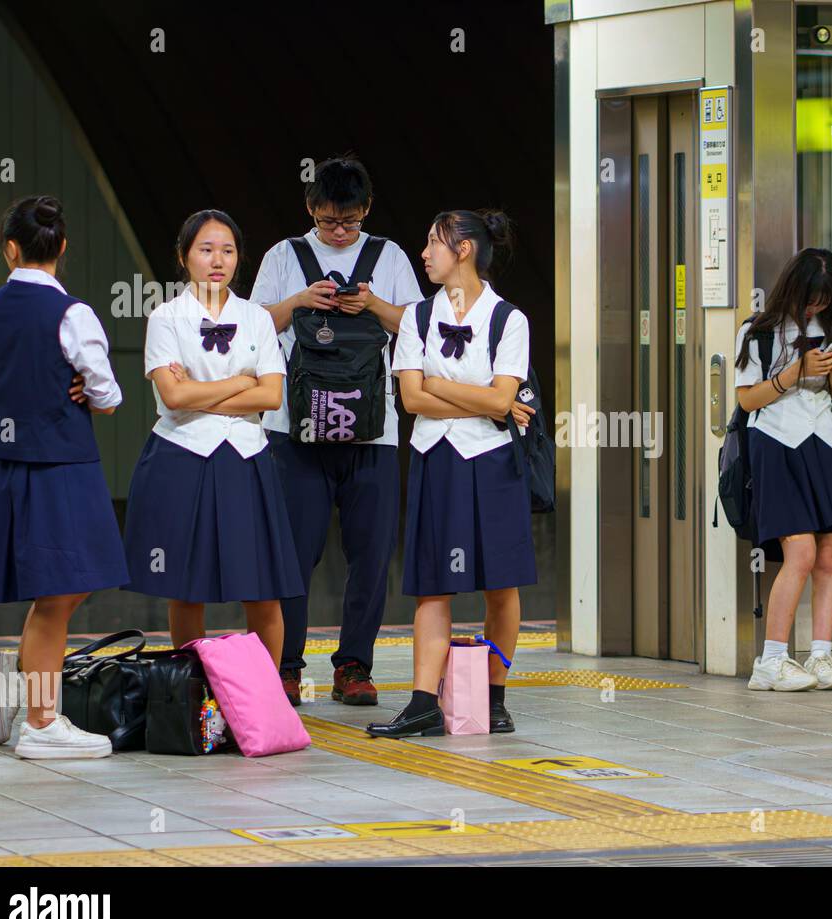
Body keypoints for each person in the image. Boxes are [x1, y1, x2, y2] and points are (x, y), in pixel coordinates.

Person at [251, 156, 424, 706]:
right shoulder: (285, 255)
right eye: (328, 221)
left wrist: (372, 303)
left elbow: (420, 330)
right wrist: (301, 300)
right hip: (292, 429)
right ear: (310, 209)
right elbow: (252, 329)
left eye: (348, 221)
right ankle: (286, 667)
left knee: (371, 554)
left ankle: (354, 666)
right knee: (292, 552)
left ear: (366, 210)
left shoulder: (389, 255)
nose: (339, 231)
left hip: (373, 431)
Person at [367, 210, 536, 738]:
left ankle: (494, 697)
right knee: (431, 587)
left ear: (463, 249)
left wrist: (447, 386)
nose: (424, 253)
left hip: (492, 462)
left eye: (433, 243)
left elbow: (503, 399)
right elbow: (413, 399)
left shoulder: (509, 319)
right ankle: (422, 701)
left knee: (500, 587)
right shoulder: (416, 316)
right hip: (435, 458)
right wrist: (480, 399)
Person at [0, 195, 128, 759]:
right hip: (62, 464)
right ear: (60, 247)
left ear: (10, 248)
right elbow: (108, 394)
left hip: (14, 466)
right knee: (59, 594)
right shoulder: (73, 314)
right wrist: (88, 389)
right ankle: (40, 721)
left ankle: (21, 683)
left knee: (56, 592)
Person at [123, 210, 303, 667]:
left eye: (227, 250)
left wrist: (200, 394)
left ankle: (265, 700)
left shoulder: (257, 318)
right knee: (188, 588)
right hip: (182, 457)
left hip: (247, 458)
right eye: (205, 249)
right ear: (184, 257)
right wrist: (241, 384)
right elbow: (173, 395)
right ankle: (189, 695)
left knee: (263, 588)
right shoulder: (166, 316)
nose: (217, 260)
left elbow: (272, 395)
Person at [734, 248, 832, 692]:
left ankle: (821, 656)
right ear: (793, 288)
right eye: (811, 298)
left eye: (825, 300)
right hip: (776, 443)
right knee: (801, 553)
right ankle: (771, 659)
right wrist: (794, 373)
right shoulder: (756, 331)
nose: (816, 307)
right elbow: (746, 400)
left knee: (830, 552)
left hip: (825, 442)